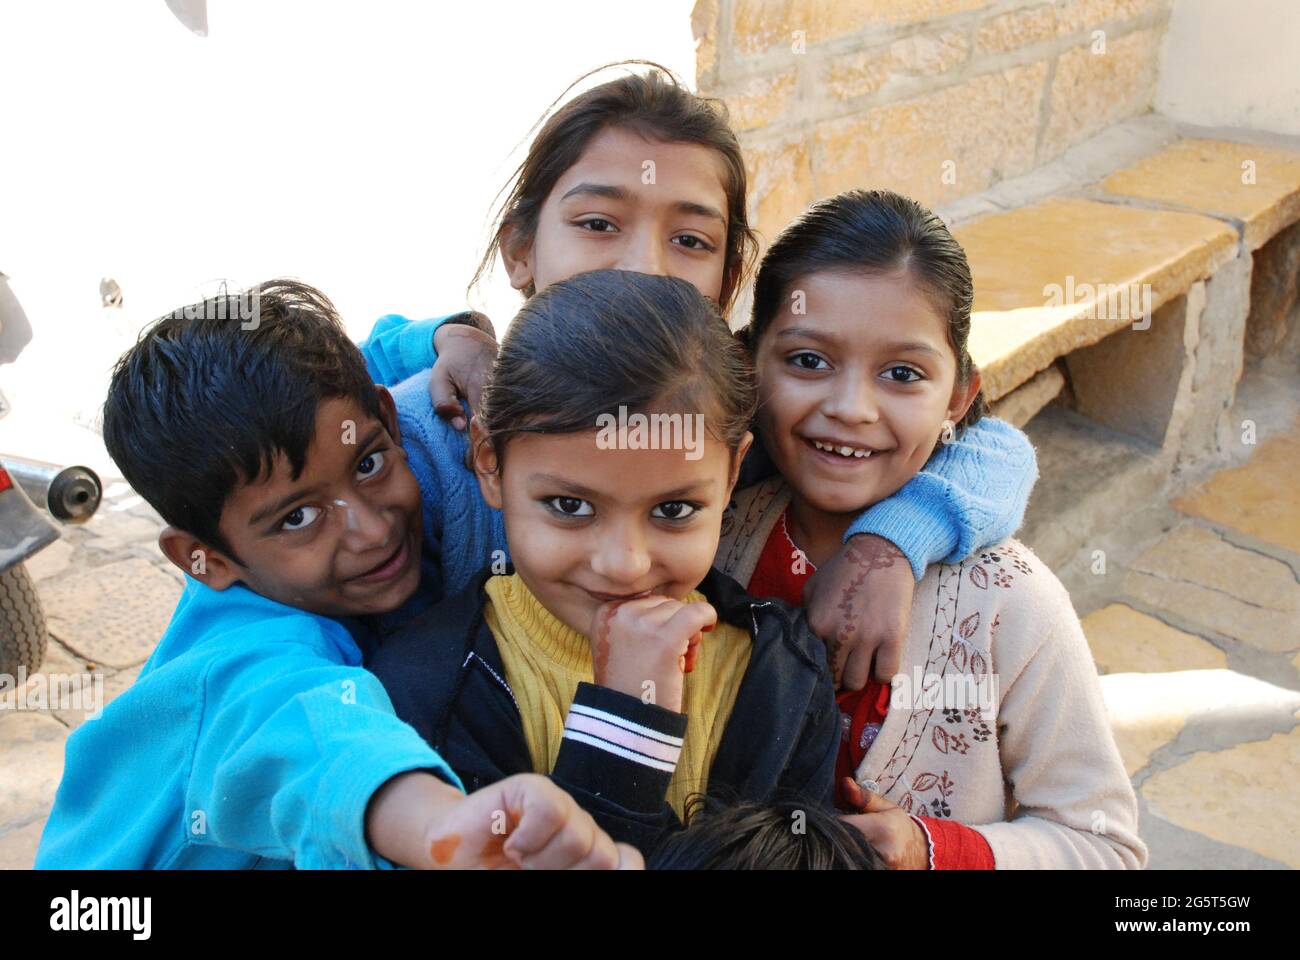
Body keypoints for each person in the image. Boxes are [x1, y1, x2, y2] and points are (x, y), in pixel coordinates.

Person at [357, 64, 1039, 692]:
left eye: (690, 241)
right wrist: (445, 335)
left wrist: (890, 543)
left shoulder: (725, 414)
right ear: (520, 250)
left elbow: (989, 448)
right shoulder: (429, 433)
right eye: (598, 223)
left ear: (727, 279)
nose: (643, 266)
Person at [35, 280, 637, 870]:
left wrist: (449, 338)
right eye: (298, 517)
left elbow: (372, 349)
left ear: (387, 416)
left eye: (369, 464)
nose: (371, 530)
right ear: (205, 559)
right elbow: (318, 740)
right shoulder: (246, 658)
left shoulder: (330, 452)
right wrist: (440, 828)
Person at [717, 189, 1147, 868]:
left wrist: (933, 850)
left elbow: (1105, 845)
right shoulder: (714, 533)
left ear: (958, 397)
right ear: (749, 366)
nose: (851, 408)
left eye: (901, 373)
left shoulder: (1010, 604)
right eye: (807, 361)